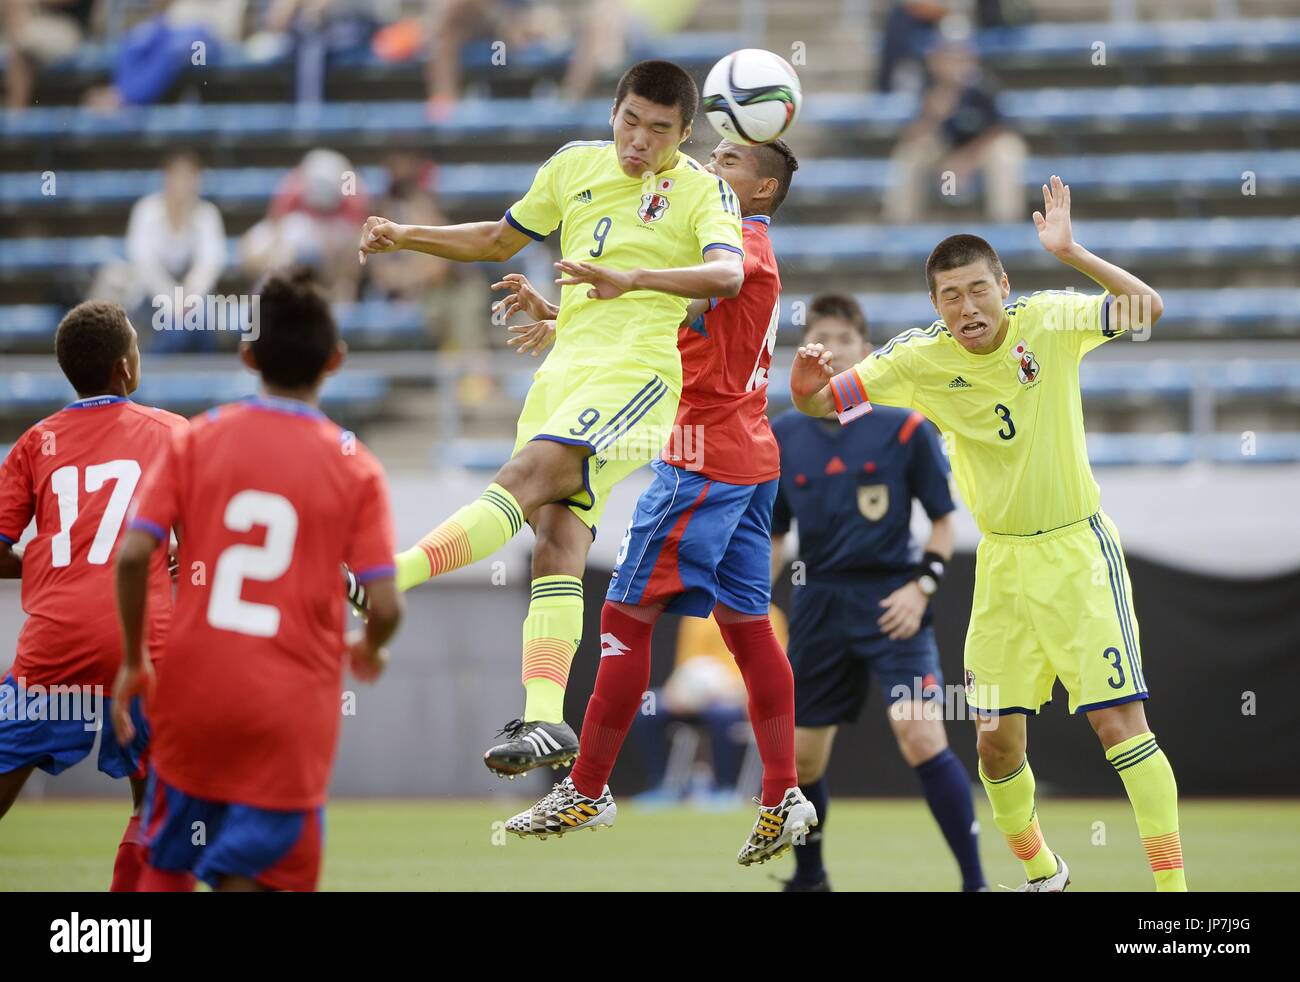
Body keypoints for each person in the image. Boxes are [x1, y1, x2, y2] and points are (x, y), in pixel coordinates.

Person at [790, 177, 1185, 892]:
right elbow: (821, 404)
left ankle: (1174, 898)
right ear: (935, 304)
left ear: (1003, 286)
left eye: (978, 289)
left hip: (1076, 552)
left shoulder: (1050, 320)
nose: (967, 307)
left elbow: (1147, 308)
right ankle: (1043, 874)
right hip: (1001, 564)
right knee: (996, 745)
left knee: (1118, 725)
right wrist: (801, 384)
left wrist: (1071, 253)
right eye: (951, 296)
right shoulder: (918, 360)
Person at [353, 60, 745, 779]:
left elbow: (728, 275)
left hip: (639, 377)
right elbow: (498, 240)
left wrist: (634, 278)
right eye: (631, 121)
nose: (639, 140)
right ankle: (544, 719)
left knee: (523, 476)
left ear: (686, 133)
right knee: (556, 540)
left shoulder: (703, 190)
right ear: (613, 112)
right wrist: (405, 234)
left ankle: (389, 579)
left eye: (660, 130)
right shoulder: (573, 166)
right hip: (562, 374)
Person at [494, 139, 815, 867]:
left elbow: (681, 294)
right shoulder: (738, 246)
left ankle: (587, 789)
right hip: (749, 452)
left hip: (701, 456)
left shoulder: (737, 250)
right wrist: (567, 319)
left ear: (763, 190)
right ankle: (782, 793)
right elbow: (663, 316)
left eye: (728, 161)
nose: (708, 163)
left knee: (623, 617)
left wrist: (625, 277)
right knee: (748, 625)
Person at [112, 269, 402, 891]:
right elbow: (385, 605)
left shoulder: (197, 439)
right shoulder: (356, 468)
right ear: (335, 360)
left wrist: (135, 659)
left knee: (168, 861)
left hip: (193, 693)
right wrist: (371, 647)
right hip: (290, 710)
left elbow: (133, 556)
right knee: (262, 873)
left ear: (247, 357)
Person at [771, 293, 985, 892]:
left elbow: (943, 522)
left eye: (844, 340)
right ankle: (810, 877)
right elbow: (775, 533)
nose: (832, 350)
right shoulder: (783, 434)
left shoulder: (904, 427)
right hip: (818, 603)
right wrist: (753, 604)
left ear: (866, 351)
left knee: (923, 735)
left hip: (894, 601)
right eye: (819, 340)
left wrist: (922, 587)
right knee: (802, 759)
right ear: (804, 354)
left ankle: (975, 882)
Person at [0, 300, 187, 892]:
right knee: (154, 804)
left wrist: (45, 564)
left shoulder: (35, 443)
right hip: (143, 646)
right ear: (125, 369)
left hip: (56, 647)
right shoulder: (172, 433)